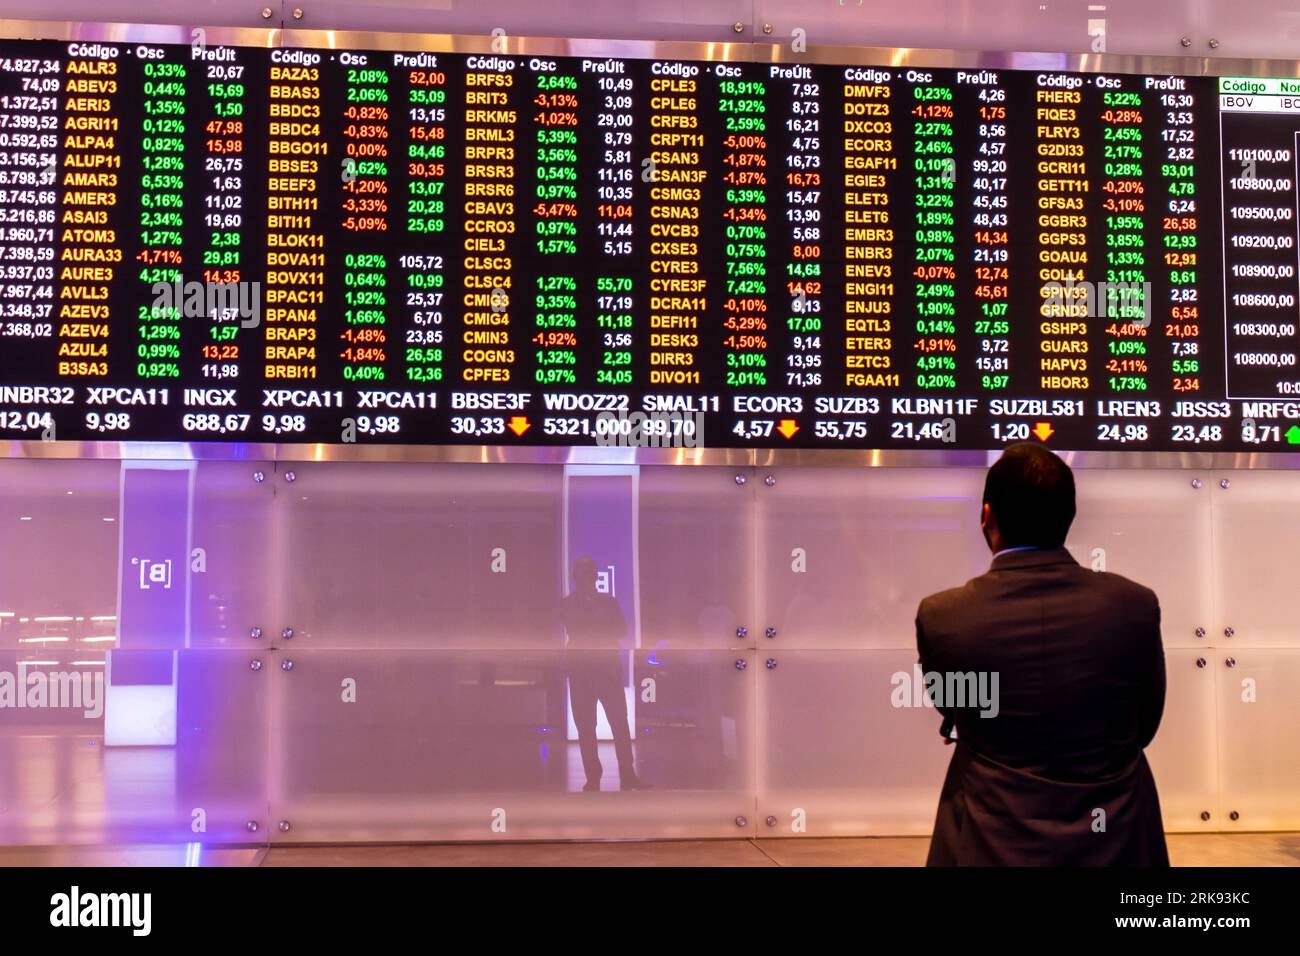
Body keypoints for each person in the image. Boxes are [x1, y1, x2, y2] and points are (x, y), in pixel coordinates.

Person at [915, 443, 1168, 865]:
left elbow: (958, 710)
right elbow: (1145, 723)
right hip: (1116, 840)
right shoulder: (1136, 605)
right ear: (1070, 516)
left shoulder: (942, 615)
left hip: (987, 841)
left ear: (987, 517)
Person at [559, 556, 651, 792]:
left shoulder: (608, 602)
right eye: (583, 573)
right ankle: (593, 777)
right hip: (582, 671)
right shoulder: (568, 604)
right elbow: (578, 629)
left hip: (606, 670)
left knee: (619, 723)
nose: (586, 577)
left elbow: (620, 629)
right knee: (586, 727)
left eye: (588, 572)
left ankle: (627, 775)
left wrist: (595, 627)